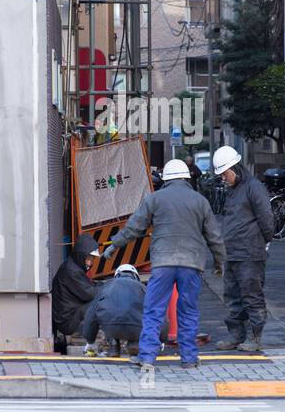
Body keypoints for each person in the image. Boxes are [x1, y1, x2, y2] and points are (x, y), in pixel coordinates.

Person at [103, 158, 226, 370]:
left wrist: (114, 245)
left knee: (153, 310)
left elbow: (134, 227)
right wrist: (220, 262)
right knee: (188, 311)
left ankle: (148, 357)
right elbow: (214, 236)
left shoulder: (155, 199)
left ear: (166, 179)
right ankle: (188, 359)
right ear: (187, 178)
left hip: (162, 263)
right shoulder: (200, 201)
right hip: (191, 264)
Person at [211, 145, 275, 352]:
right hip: (233, 252)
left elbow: (266, 217)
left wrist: (265, 241)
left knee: (251, 295)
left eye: (225, 174)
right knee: (232, 296)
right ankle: (236, 335)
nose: (223, 178)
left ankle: (255, 337)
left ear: (235, 168)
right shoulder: (233, 190)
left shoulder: (253, 187)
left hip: (250, 252)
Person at [80, 264, 146, 357]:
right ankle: (134, 344)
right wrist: (160, 339)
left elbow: (91, 314)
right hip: (136, 328)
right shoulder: (143, 288)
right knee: (138, 316)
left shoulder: (107, 286)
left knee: (109, 314)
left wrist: (90, 341)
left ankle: (114, 346)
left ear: (116, 275)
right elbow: (156, 312)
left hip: (111, 327)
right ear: (136, 276)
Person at [50, 233, 100, 354]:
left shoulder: (72, 266)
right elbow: (91, 293)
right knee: (100, 304)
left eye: (92, 260)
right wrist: (107, 288)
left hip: (67, 314)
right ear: (81, 255)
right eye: (88, 259)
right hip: (67, 320)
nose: (90, 263)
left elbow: (88, 287)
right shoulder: (72, 271)